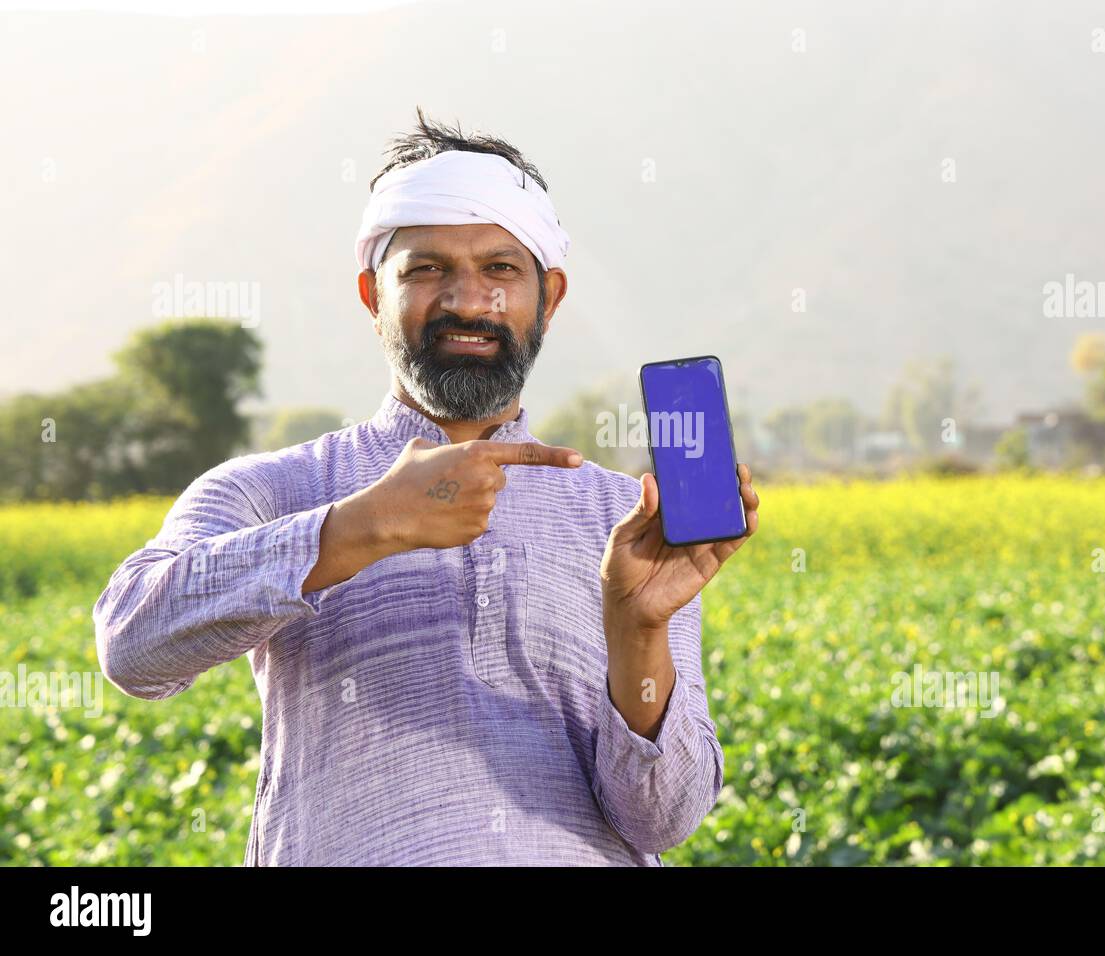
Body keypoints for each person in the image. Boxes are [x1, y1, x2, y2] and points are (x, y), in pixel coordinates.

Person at [93, 109, 760, 866]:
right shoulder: (275, 489)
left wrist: (637, 630)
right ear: (372, 296)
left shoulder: (627, 520)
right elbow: (132, 646)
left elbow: (664, 819)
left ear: (550, 297)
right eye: (426, 270)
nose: (469, 302)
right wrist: (362, 527)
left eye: (500, 269)